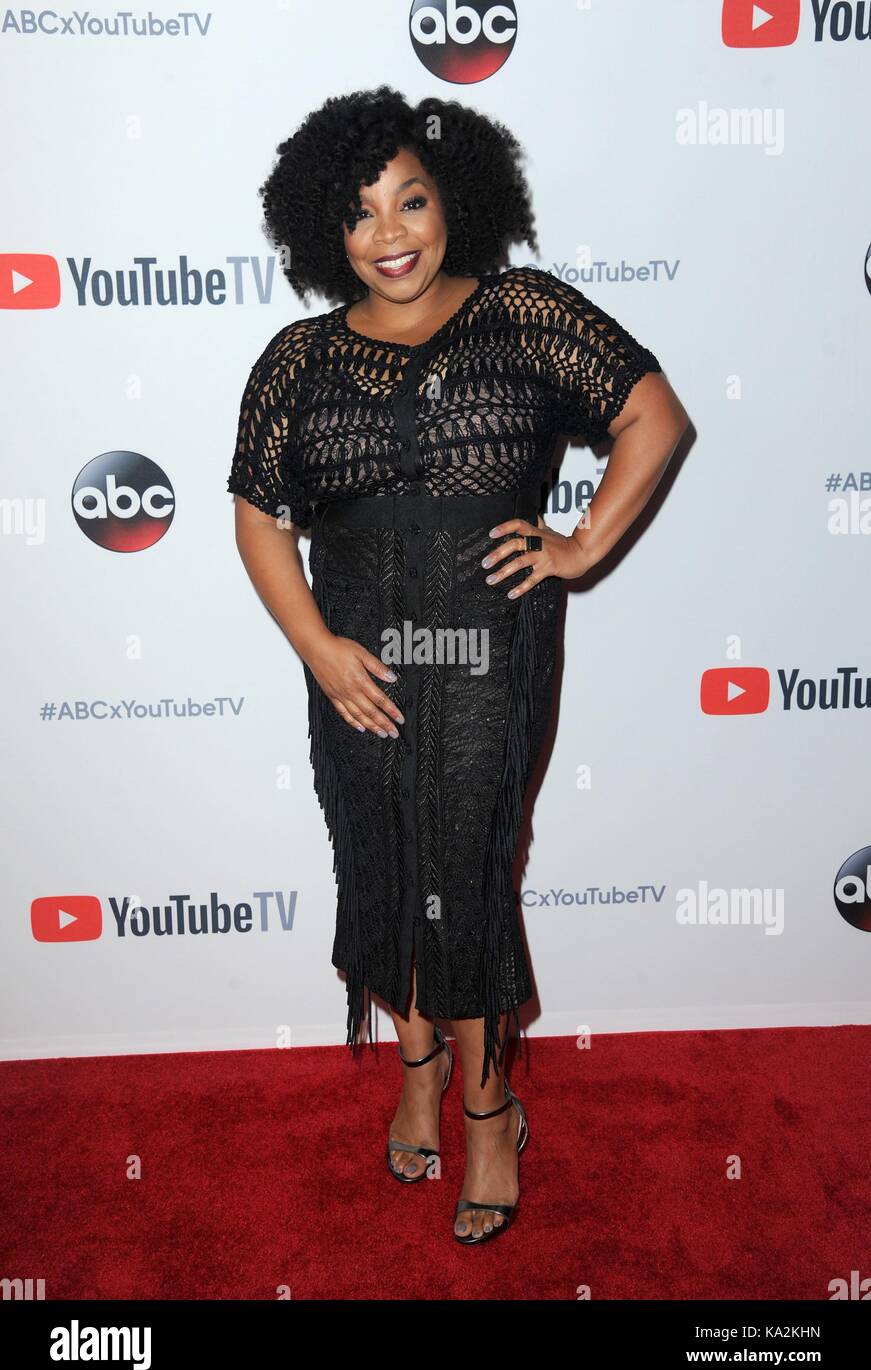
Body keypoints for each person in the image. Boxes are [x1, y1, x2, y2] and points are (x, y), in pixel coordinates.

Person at [227, 86, 689, 1245]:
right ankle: (418, 1067)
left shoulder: (524, 313)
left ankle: (490, 1107)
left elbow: (655, 416)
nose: (390, 233)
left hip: (488, 661)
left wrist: (580, 544)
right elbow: (256, 518)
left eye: (412, 200)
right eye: (360, 212)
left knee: (467, 874)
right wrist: (317, 648)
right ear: (322, 231)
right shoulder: (296, 358)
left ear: (454, 201)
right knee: (380, 864)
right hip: (356, 670)